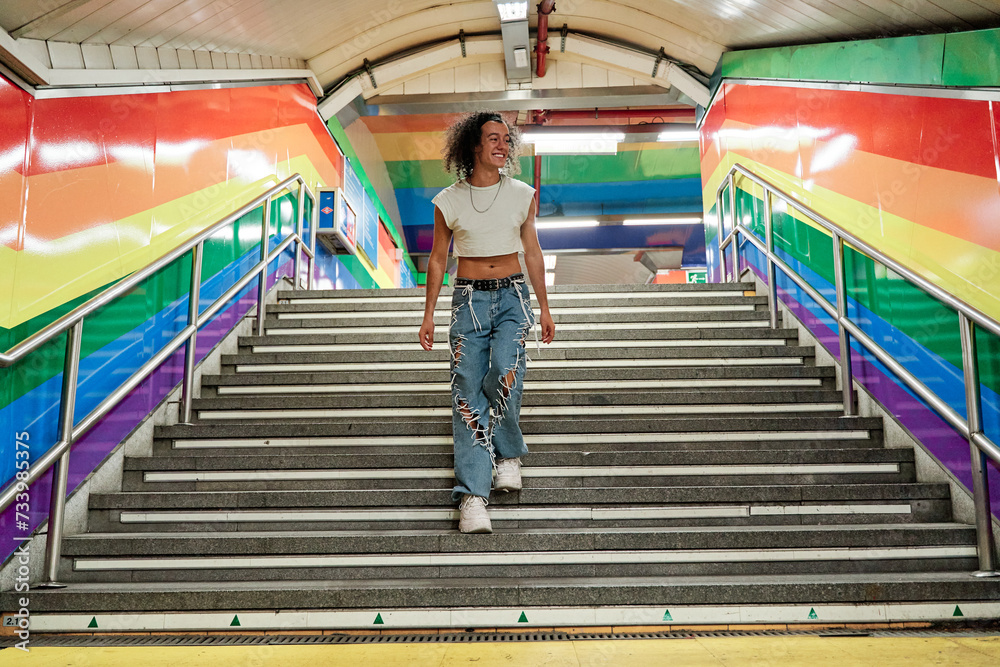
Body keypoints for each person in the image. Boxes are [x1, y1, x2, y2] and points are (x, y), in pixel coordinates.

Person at [419, 111, 555, 534]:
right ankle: (474, 497)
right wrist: (428, 312)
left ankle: (508, 452)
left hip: (513, 296)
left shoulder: (521, 194)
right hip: (468, 301)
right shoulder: (449, 200)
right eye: (493, 139)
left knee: (506, 372)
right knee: (465, 392)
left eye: (506, 140)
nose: (502, 146)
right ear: (473, 147)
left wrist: (546, 307)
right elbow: (439, 258)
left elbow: (532, 251)